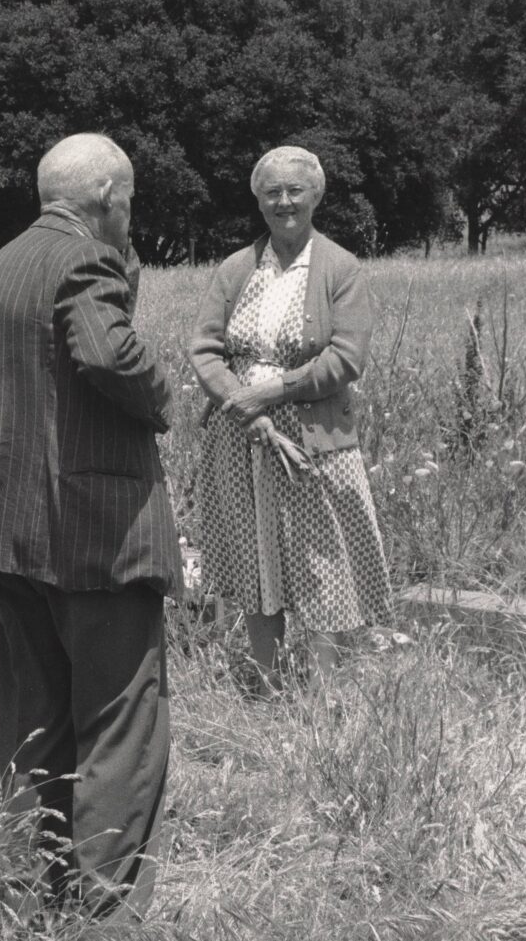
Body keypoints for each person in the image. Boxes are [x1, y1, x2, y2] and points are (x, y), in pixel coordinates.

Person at [0, 133, 180, 922]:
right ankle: (108, 914)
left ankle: (30, 895)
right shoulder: (86, 263)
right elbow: (109, 357)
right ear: (110, 198)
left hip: (7, 539)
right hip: (95, 540)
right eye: (130, 204)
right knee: (120, 727)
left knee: (35, 725)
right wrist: (164, 393)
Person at [188, 146, 389, 695]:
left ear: (316, 195)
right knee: (254, 557)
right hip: (241, 440)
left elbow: (347, 357)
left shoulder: (340, 268)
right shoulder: (236, 267)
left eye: (294, 190)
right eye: (271, 192)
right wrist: (245, 408)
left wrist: (273, 391)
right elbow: (205, 349)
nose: (283, 202)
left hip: (314, 442)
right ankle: (267, 684)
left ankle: (326, 696)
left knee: (322, 561)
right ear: (258, 199)